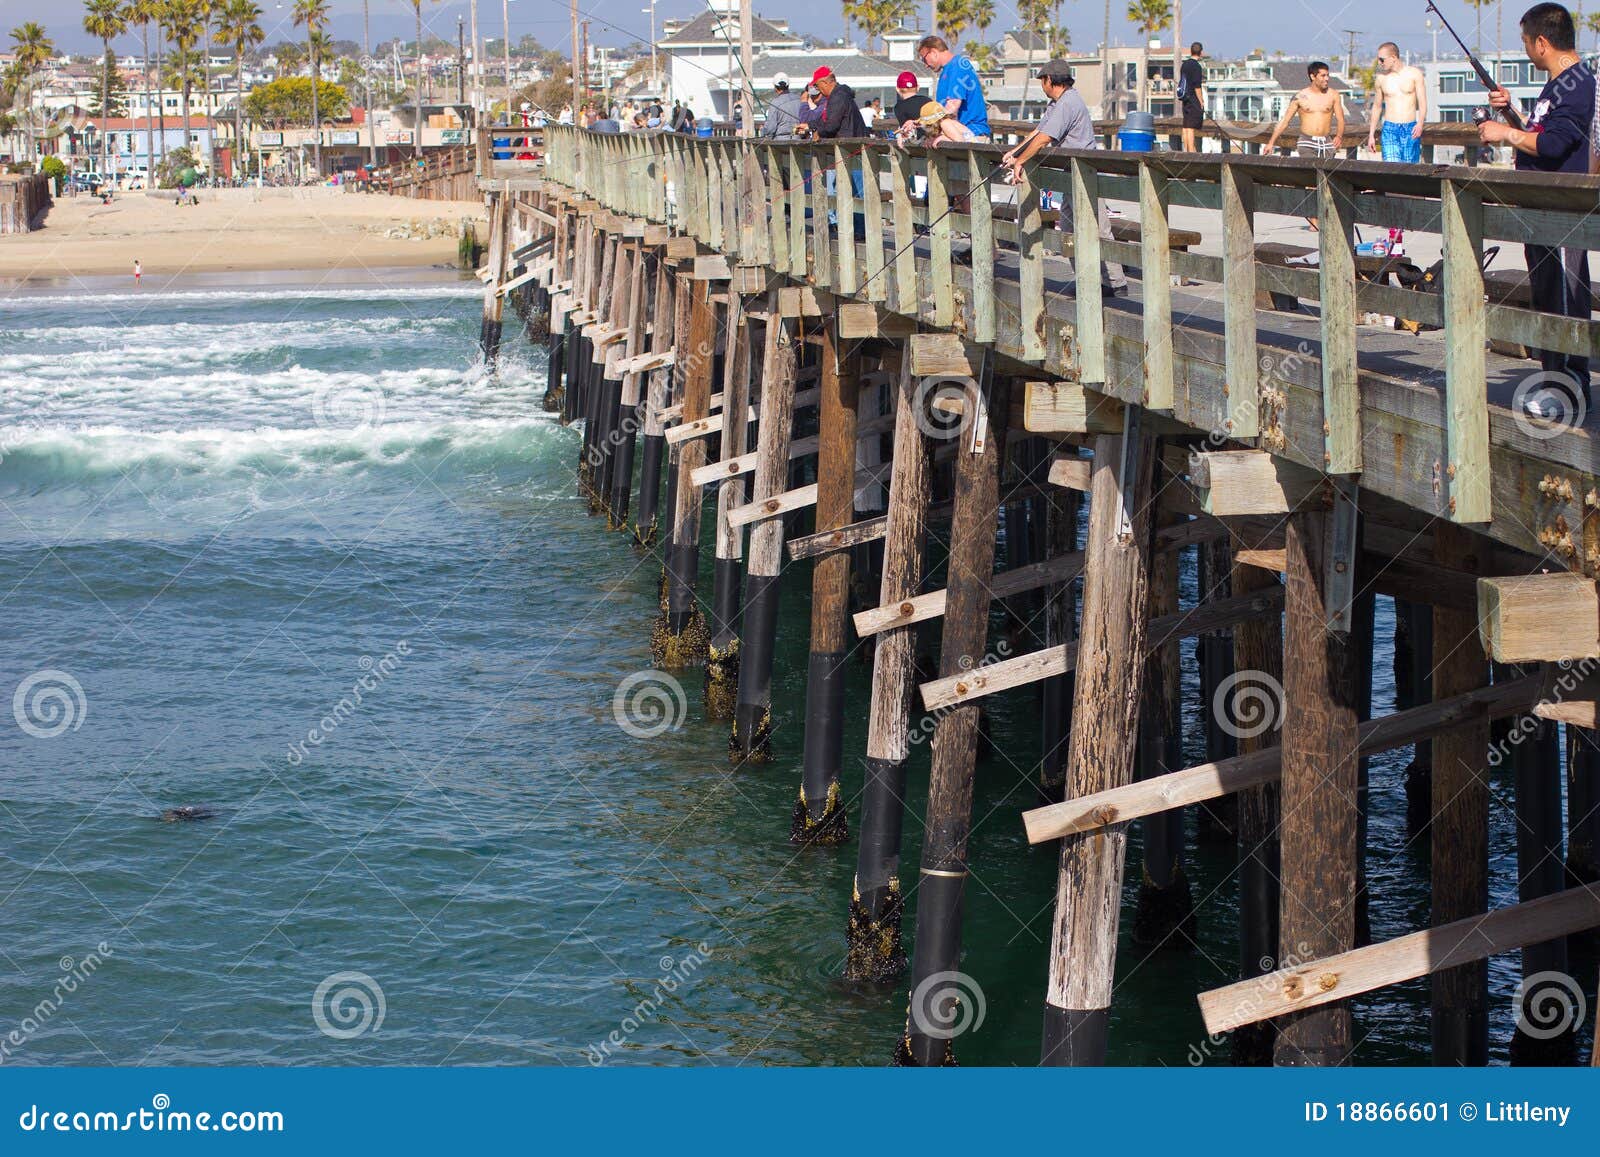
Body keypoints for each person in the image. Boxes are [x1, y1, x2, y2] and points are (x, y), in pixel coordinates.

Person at [1479, 2, 1596, 419]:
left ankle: (1569, 390)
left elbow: (1553, 146)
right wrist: (1511, 112)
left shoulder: (1578, 82)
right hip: (1542, 210)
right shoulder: (1559, 84)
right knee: (1549, 297)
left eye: (1526, 42)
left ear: (1542, 42)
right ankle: (1556, 383)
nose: (1526, 49)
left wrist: (1504, 132)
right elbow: (1542, 134)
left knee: (1565, 299)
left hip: (1561, 212)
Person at [1000, 60, 1128, 297]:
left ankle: (1116, 283)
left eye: (1042, 80)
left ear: (1050, 80)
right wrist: (1015, 152)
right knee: (1069, 229)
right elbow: (1037, 132)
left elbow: (1044, 139)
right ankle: (1088, 279)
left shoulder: (1068, 102)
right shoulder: (1056, 104)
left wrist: (1020, 162)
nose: (1041, 85)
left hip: (1086, 173)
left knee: (1099, 228)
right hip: (1070, 175)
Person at [1265, 61, 1346, 158]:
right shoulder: (1300, 96)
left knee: (1326, 172)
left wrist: (1339, 136)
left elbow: (1340, 119)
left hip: (1326, 142)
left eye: (1328, 75)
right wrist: (1271, 143)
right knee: (1311, 170)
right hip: (1307, 142)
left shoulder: (1333, 95)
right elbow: (1284, 121)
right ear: (1313, 77)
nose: (1327, 79)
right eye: (1323, 76)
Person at [917, 35, 991, 140]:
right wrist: (920, 122)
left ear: (933, 52)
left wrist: (930, 121)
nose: (926, 65)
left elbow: (952, 107)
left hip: (972, 133)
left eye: (924, 59)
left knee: (944, 125)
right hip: (957, 132)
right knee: (930, 142)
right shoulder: (947, 70)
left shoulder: (958, 66)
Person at [1366, 41, 1427, 162]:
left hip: (1411, 128)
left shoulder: (1414, 74)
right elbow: (1377, 107)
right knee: (1391, 168)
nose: (1379, 63)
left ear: (1393, 58)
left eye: (1382, 60)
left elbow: (1423, 102)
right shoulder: (1381, 79)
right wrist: (1371, 135)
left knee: (1410, 170)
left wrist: (1420, 123)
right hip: (1390, 128)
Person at [810, 65, 867, 139]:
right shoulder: (839, 94)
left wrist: (819, 132)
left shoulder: (838, 97)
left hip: (849, 144)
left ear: (824, 83)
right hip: (851, 140)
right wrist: (809, 125)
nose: (818, 89)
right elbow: (827, 120)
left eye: (816, 86)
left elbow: (831, 127)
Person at [1178, 42, 1207, 152]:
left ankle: (1187, 149)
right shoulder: (1196, 67)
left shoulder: (1184, 64)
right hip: (1193, 99)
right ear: (1201, 52)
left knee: (1186, 126)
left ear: (1191, 51)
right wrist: (1201, 101)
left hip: (1185, 98)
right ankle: (1191, 152)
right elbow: (1197, 86)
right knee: (1190, 127)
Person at [762, 73, 804, 139]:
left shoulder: (775, 103)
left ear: (775, 87)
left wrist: (763, 131)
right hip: (798, 139)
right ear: (788, 85)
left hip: (781, 142)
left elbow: (770, 128)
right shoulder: (799, 99)